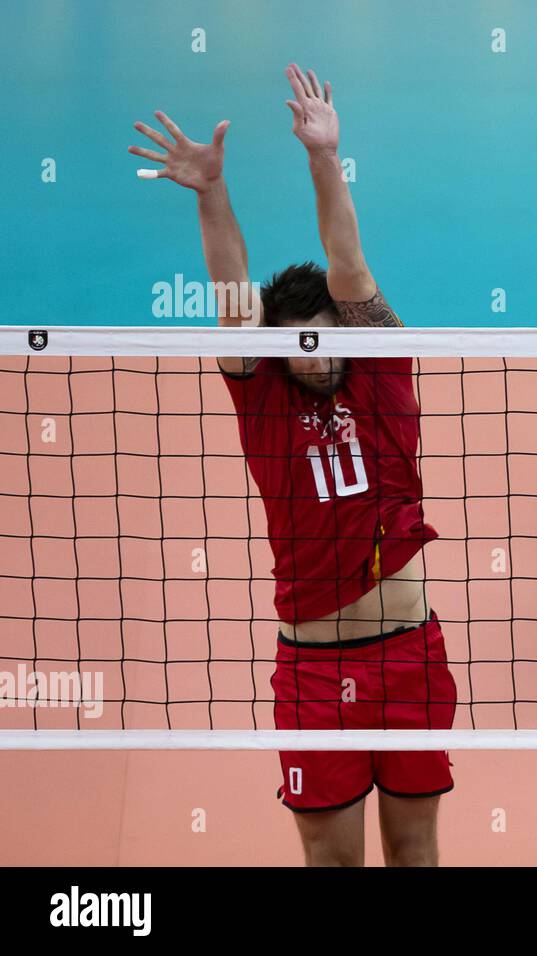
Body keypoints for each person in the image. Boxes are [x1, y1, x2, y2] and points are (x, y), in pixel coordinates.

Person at [128, 64, 456, 866]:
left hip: (410, 656)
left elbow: (347, 262)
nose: (316, 359)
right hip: (312, 669)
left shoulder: (379, 366)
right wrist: (211, 193)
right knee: (332, 862)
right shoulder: (264, 400)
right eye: (297, 347)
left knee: (415, 851)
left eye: (324, 339)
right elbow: (232, 291)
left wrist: (322, 157)